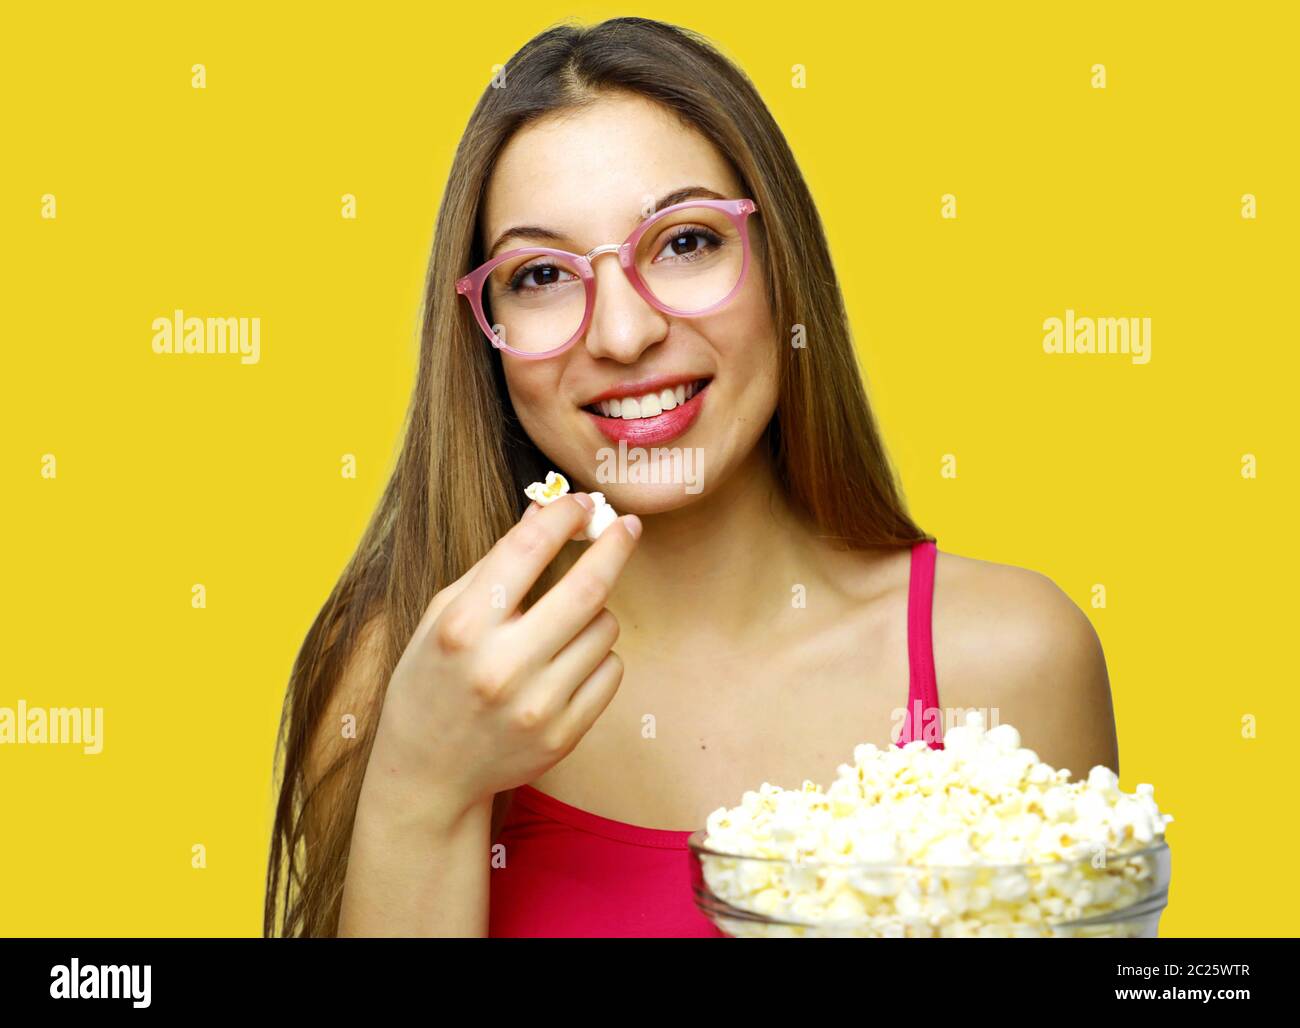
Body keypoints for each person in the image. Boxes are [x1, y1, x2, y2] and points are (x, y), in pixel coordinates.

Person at [264, 16, 1119, 938]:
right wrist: (421, 787)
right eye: (542, 274)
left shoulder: (1009, 663)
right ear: (486, 335)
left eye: (683, 243)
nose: (624, 334)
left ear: (781, 266)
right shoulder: (398, 674)